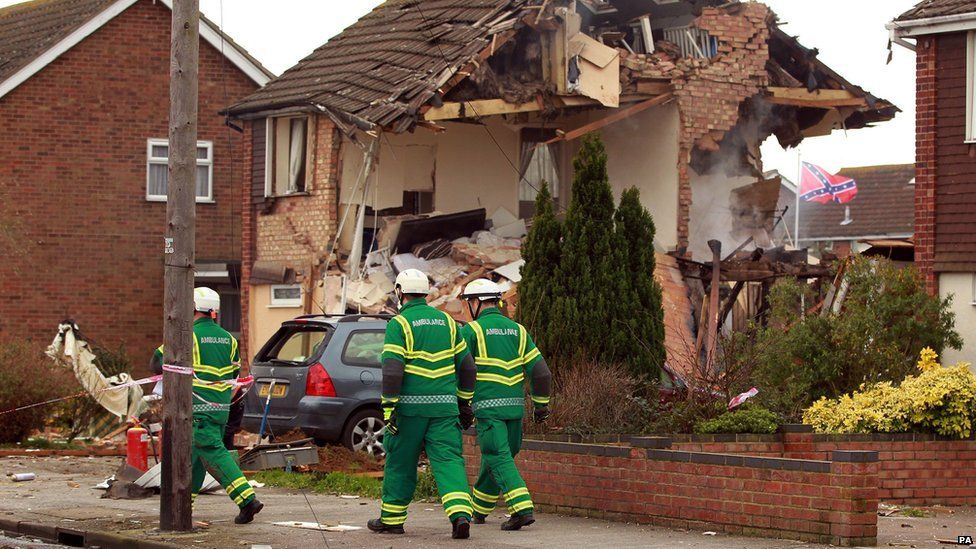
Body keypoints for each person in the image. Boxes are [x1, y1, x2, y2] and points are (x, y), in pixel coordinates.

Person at [367, 269, 478, 539]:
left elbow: (392, 369)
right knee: (449, 461)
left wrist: (389, 408)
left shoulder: (400, 324)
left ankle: (392, 519)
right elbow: (467, 367)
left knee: (400, 462)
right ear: (425, 293)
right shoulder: (448, 322)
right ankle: (460, 515)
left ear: (400, 292)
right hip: (445, 410)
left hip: (410, 411)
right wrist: (464, 403)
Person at [150, 287, 262, 524]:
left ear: (192, 307)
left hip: (197, 408)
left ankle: (247, 499)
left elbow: (156, 362)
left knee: (213, 452)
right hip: (221, 408)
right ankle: (184, 506)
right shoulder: (229, 339)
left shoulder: (187, 335)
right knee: (197, 457)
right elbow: (233, 375)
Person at [459, 278, 551, 531]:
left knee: (498, 457)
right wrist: (541, 405)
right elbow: (541, 372)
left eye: (469, 303)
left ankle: (521, 510)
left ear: (476, 303)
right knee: (497, 457)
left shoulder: (472, 331)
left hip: (488, 409)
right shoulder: (518, 331)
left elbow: (462, 369)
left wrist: (462, 402)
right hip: (515, 410)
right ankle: (479, 508)